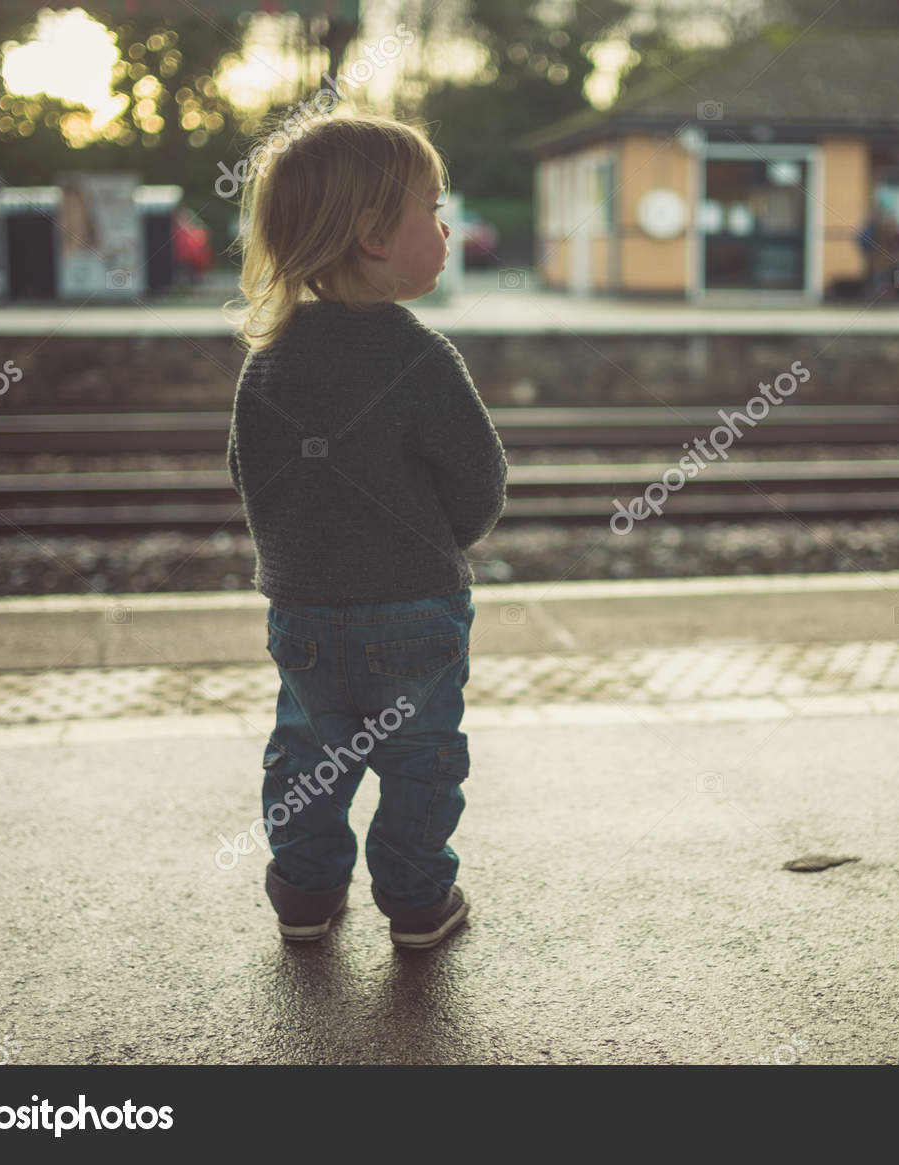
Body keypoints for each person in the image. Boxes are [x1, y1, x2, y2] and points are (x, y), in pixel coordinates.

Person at [224, 114, 507, 949]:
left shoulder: (267, 358)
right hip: (416, 613)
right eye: (433, 207)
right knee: (421, 760)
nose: (447, 226)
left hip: (303, 613)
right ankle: (418, 902)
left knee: (307, 756)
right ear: (377, 235)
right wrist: (432, 543)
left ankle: (305, 895)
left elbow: (250, 476)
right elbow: (481, 487)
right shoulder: (423, 357)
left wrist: (304, 551)